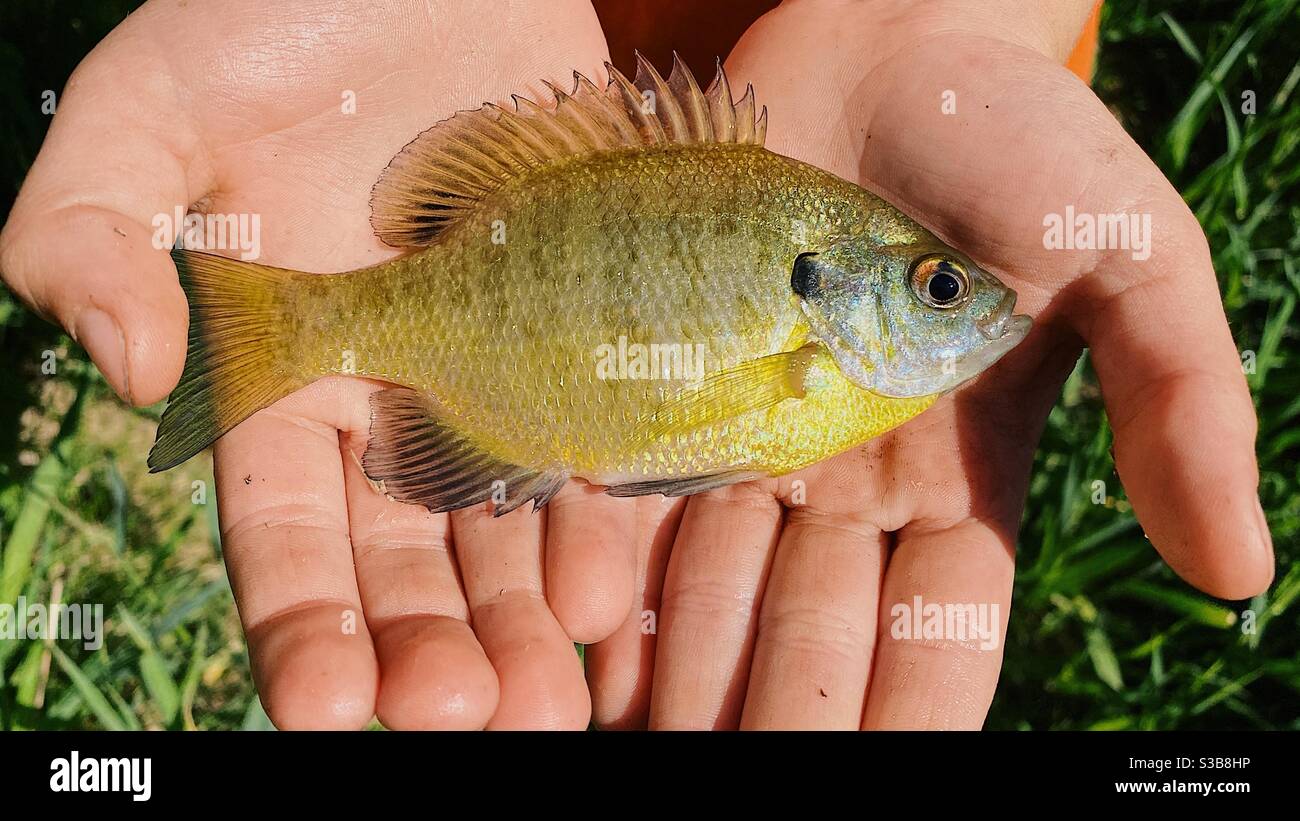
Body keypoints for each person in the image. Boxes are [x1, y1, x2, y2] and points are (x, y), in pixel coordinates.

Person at [0, 0, 1272, 730]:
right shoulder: (812, 347)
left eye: (943, 281)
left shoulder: (822, 310)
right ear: (847, 286)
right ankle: (272, 328)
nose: (973, 303)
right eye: (938, 285)